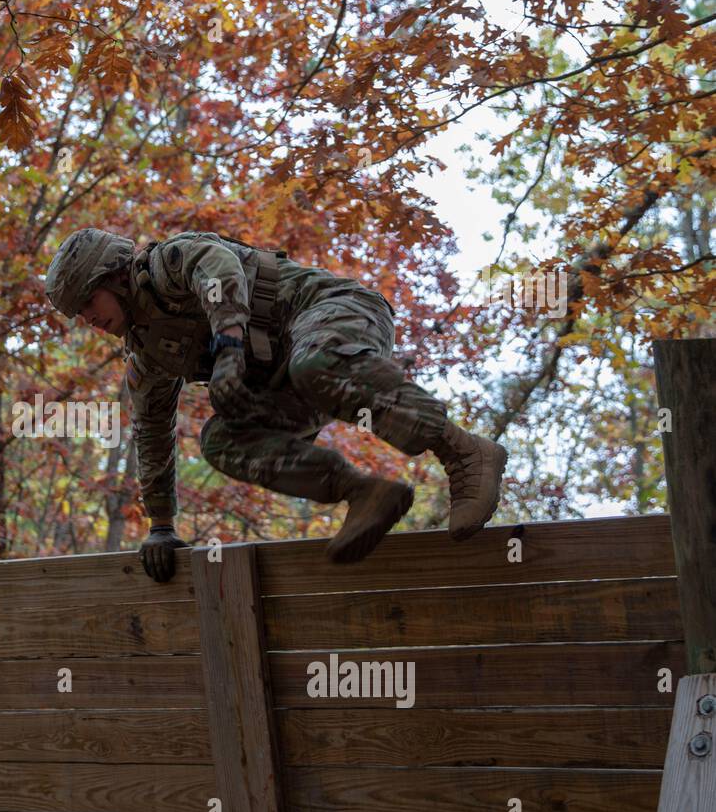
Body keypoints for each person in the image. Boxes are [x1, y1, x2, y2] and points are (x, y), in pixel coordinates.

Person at [43, 228, 507, 581]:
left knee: (314, 360)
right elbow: (152, 432)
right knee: (220, 439)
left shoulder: (168, 263)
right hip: (292, 379)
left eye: (88, 301)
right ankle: (361, 492)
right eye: (78, 315)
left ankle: (462, 450)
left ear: (114, 275)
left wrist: (227, 350)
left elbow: (220, 269)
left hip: (336, 312)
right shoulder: (146, 353)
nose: (88, 319)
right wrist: (161, 526)